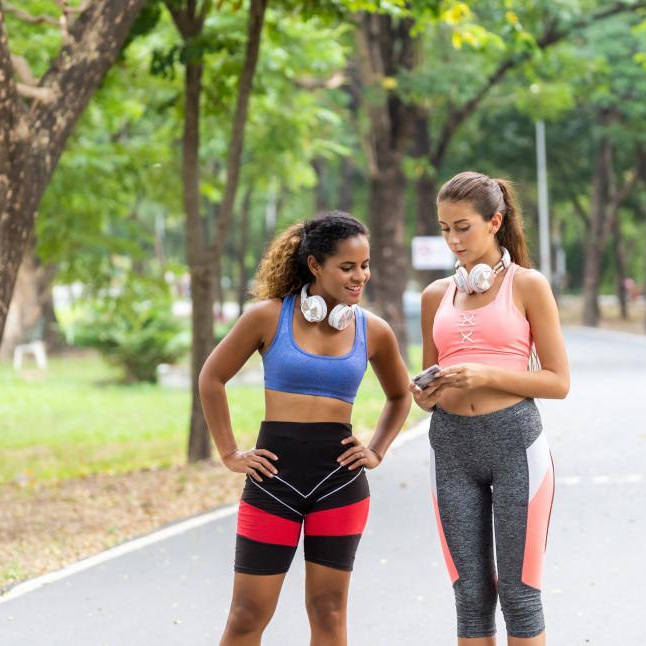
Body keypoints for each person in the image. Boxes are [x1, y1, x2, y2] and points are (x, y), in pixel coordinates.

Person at [199, 211, 412, 645]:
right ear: (315, 265)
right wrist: (229, 452)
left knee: (329, 612)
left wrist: (376, 449)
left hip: (339, 483)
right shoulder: (267, 317)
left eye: (365, 265)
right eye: (347, 267)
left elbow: (399, 394)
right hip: (273, 479)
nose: (360, 277)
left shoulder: (374, 331)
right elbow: (211, 377)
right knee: (246, 614)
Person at [413, 171, 570, 645]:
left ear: (494, 221)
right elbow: (428, 381)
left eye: (463, 226)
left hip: (515, 444)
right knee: (470, 597)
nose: (453, 239)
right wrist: (425, 395)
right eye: (444, 228)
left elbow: (558, 382)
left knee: (520, 594)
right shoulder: (435, 296)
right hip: (452, 448)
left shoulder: (528, 286)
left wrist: (487, 375)